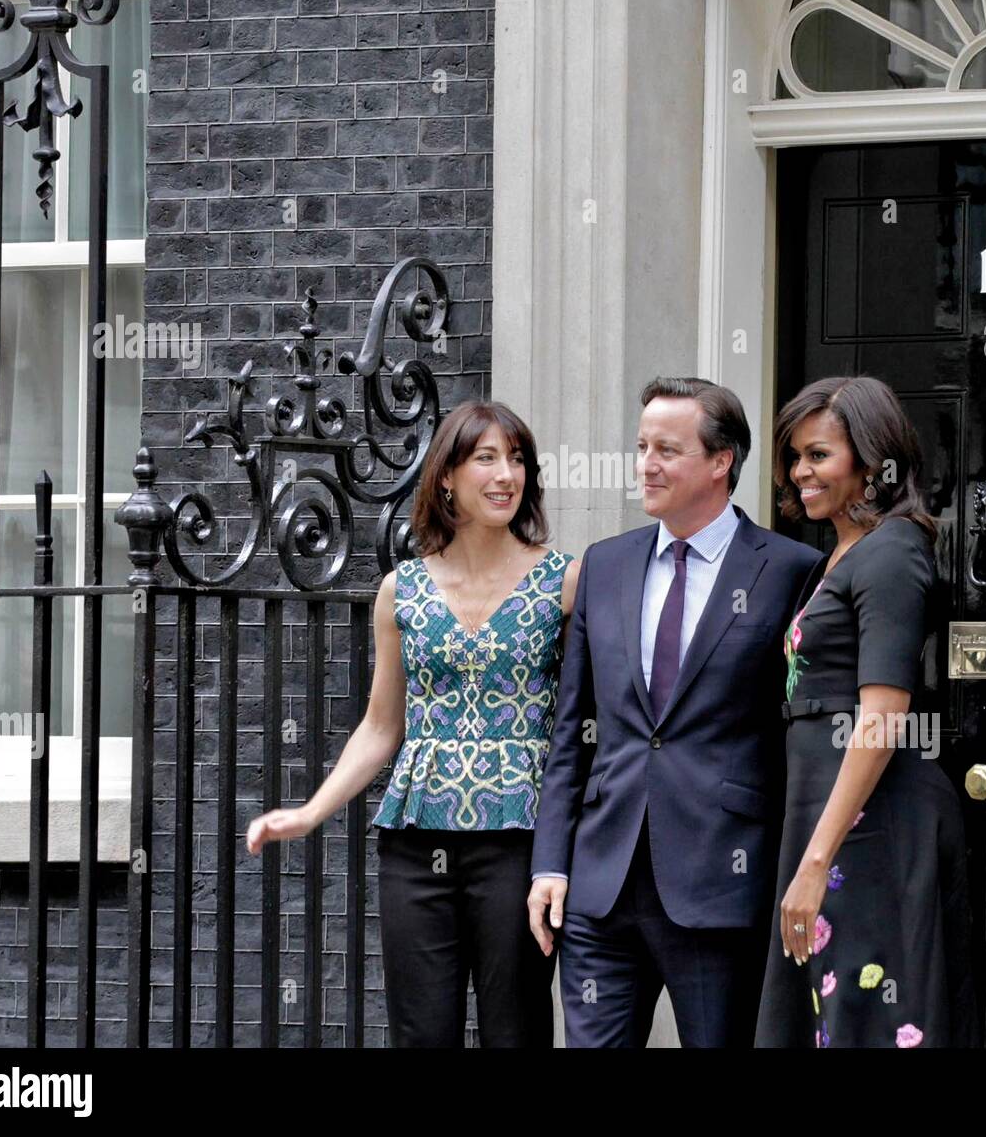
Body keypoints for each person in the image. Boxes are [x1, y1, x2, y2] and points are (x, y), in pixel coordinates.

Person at [247, 401, 579, 1047]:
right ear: (447, 477)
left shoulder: (562, 582)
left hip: (519, 842)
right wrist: (311, 811)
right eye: (486, 458)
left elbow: (583, 723)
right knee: (421, 1034)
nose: (506, 474)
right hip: (414, 843)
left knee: (517, 1032)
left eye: (516, 460)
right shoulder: (403, 591)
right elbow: (380, 727)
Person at [527, 377, 822, 1047]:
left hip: (721, 888)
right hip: (600, 892)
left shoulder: (790, 570)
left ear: (721, 462)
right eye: (640, 447)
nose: (646, 464)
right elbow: (571, 731)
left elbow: (798, 735)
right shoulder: (605, 565)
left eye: (667, 448)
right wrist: (551, 864)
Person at [755, 376, 978, 1048]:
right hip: (830, 821)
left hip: (872, 826)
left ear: (873, 459)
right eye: (795, 456)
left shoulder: (891, 552)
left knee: (869, 1019)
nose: (801, 472)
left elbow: (880, 715)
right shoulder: (842, 554)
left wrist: (817, 861)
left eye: (819, 454)